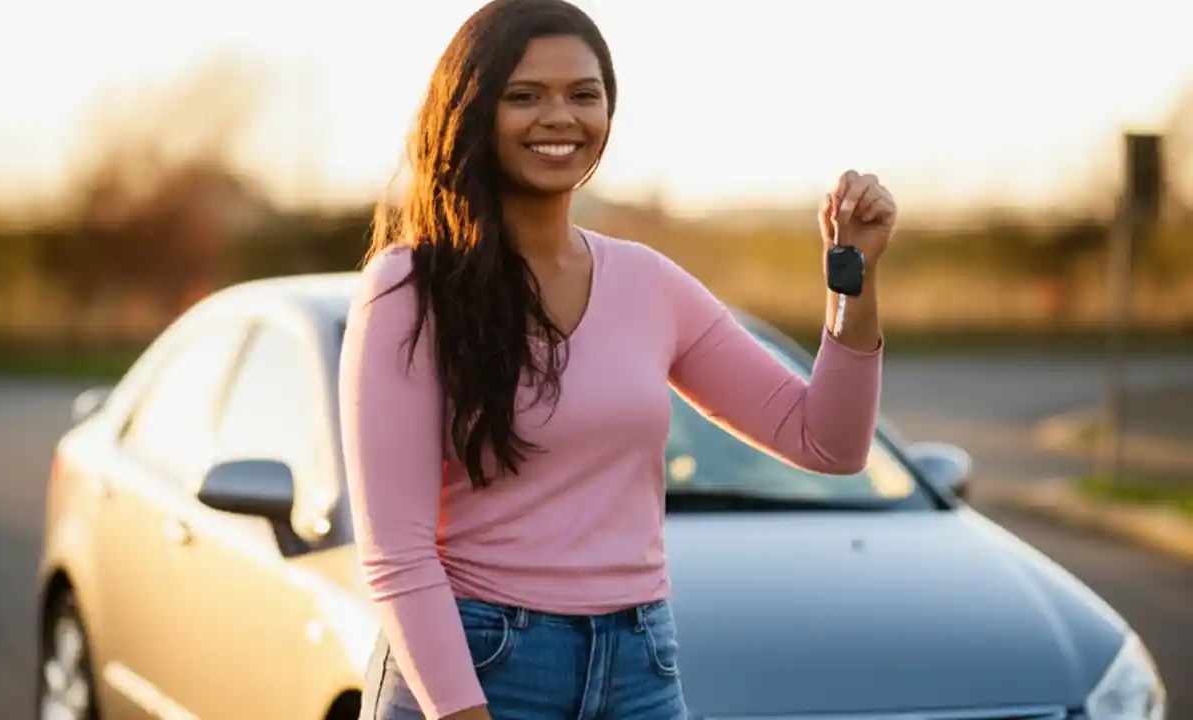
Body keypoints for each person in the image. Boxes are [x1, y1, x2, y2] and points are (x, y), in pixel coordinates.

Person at [337, 0, 896, 718]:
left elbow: (827, 441)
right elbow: (399, 553)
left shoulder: (648, 283)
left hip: (639, 663)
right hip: (476, 663)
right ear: (472, 110)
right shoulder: (409, 289)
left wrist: (852, 273)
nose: (560, 117)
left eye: (583, 94)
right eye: (524, 95)